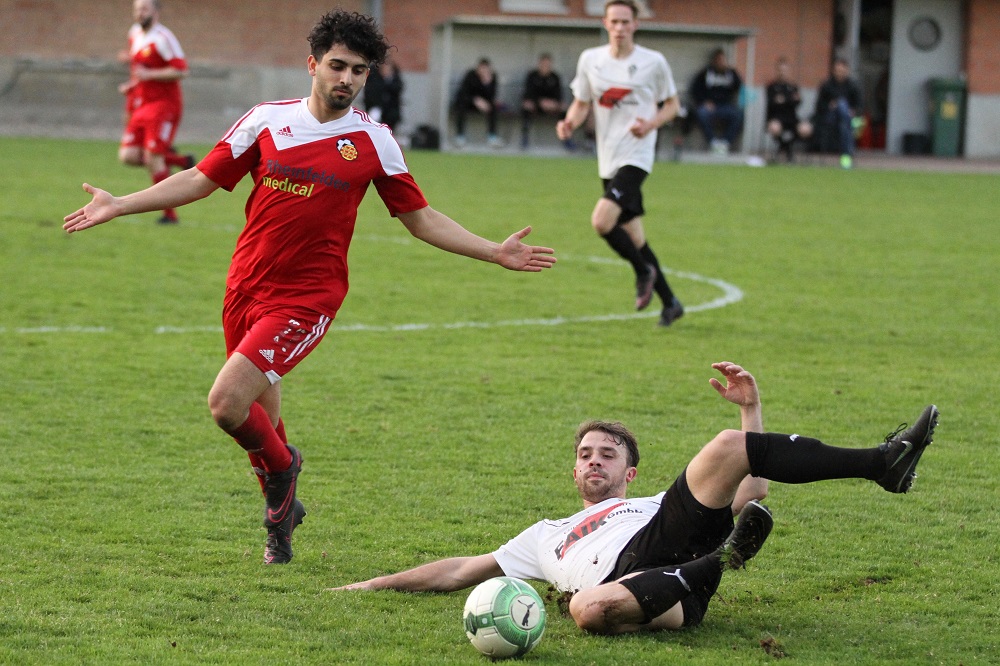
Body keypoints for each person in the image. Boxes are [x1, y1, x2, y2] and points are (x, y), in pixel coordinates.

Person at [64, 10, 556, 566]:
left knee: (227, 404)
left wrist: (493, 251)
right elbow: (201, 179)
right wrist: (120, 203)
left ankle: (284, 470)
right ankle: (281, 521)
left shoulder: (374, 141)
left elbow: (420, 218)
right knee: (263, 417)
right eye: (337, 66)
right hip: (245, 286)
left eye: (359, 70)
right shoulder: (266, 121)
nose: (347, 78)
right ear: (313, 65)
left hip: (307, 298)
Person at [334, 361, 939, 636]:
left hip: (663, 537)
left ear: (630, 472)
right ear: (574, 472)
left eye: (607, 454)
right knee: (585, 610)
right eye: (585, 455)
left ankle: (881, 464)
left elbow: (753, 489)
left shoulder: (649, 503)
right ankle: (725, 559)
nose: (594, 460)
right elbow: (459, 571)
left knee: (727, 445)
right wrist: (371, 584)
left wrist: (751, 408)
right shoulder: (543, 535)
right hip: (649, 593)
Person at [555, 0, 684, 327]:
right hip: (608, 157)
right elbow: (581, 103)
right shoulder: (591, 59)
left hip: (637, 156)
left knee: (602, 221)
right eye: (614, 21)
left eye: (626, 22)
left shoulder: (653, 62)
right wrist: (569, 123)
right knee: (635, 237)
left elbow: (672, 105)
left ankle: (642, 271)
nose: (620, 28)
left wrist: (651, 124)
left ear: (635, 25)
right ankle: (671, 303)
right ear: (605, 23)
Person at [118, 0, 195, 224]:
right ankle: (180, 160)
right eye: (136, 9)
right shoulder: (134, 33)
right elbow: (140, 69)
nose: (139, 13)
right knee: (128, 156)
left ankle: (170, 215)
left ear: (156, 12)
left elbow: (182, 70)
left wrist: (150, 76)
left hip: (163, 105)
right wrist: (132, 86)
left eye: (144, 9)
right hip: (141, 103)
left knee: (153, 158)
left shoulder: (164, 38)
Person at [689, 48, 744, 154]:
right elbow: (695, 90)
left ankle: (725, 143)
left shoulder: (730, 73)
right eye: (718, 60)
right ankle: (713, 142)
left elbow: (739, 86)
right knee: (701, 113)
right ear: (714, 61)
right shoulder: (706, 73)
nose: (721, 62)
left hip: (726, 106)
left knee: (738, 115)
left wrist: (733, 72)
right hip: (710, 106)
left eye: (723, 60)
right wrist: (704, 102)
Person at [813, 58, 863, 169]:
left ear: (847, 71)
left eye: (842, 71)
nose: (839, 73)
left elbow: (859, 106)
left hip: (847, 118)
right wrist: (830, 106)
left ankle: (845, 155)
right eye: (837, 70)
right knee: (842, 106)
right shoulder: (827, 85)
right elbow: (819, 106)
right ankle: (847, 155)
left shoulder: (853, 86)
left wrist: (853, 111)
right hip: (830, 117)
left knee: (844, 121)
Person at [765, 57, 813, 162]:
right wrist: (789, 99)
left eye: (785, 70)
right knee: (775, 128)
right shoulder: (771, 87)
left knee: (806, 129)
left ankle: (785, 147)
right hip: (777, 117)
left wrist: (783, 100)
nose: (783, 73)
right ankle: (786, 149)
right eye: (780, 70)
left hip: (792, 118)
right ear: (777, 71)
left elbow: (797, 102)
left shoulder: (793, 87)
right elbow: (773, 103)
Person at [519, 53, 568, 150]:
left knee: (564, 108)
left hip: (551, 106)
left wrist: (554, 103)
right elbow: (528, 94)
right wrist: (540, 102)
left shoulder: (555, 77)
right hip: (536, 105)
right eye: (543, 64)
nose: (545, 67)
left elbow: (559, 96)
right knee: (526, 106)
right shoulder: (532, 76)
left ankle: (566, 137)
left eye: (547, 65)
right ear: (539, 64)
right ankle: (525, 138)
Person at [454, 58, 503, 148]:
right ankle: (460, 137)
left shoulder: (493, 77)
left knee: (493, 108)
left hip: (483, 105)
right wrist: (475, 100)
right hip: (469, 102)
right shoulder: (470, 75)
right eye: (482, 68)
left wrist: (487, 84)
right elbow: (463, 93)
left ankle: (492, 137)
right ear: (478, 68)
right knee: (461, 107)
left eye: (486, 68)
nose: (483, 71)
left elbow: (492, 96)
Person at [363, 59, 403, 131]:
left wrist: (388, 79)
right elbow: (371, 92)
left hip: (390, 109)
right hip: (376, 106)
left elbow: (397, 89)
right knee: (374, 118)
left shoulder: (394, 78)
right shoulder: (374, 76)